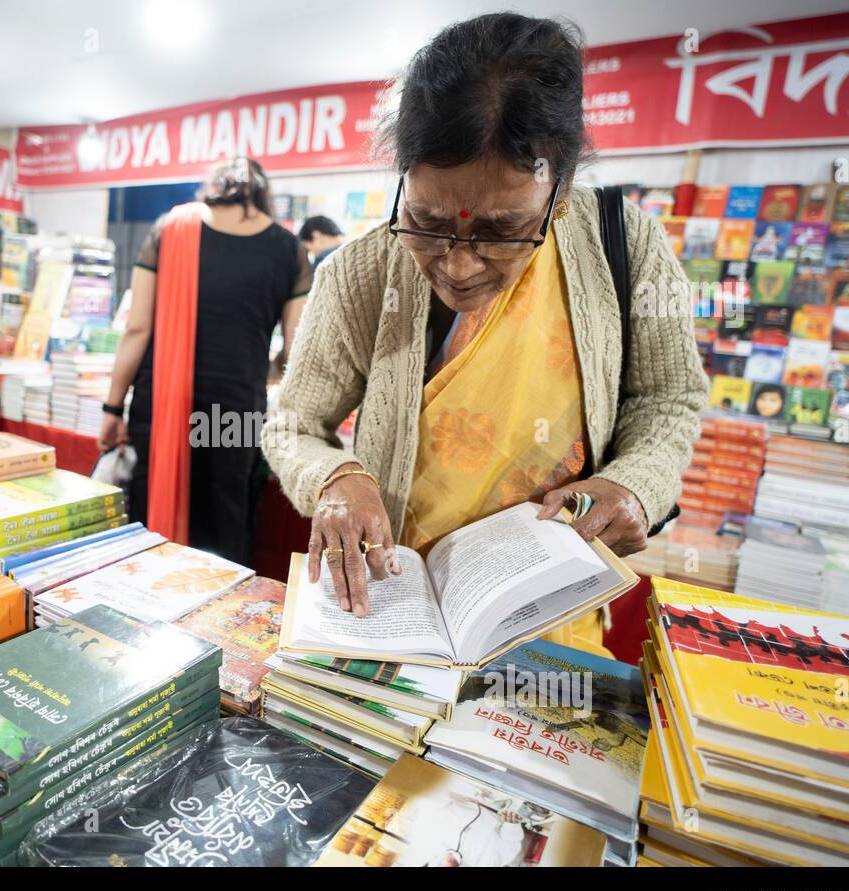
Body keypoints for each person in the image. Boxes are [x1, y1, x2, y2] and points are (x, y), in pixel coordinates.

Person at [261, 14, 708, 656]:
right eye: (426, 220)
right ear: (402, 180)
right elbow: (293, 423)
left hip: (553, 617)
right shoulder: (362, 272)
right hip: (391, 611)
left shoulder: (624, 246)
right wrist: (336, 478)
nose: (459, 264)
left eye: (500, 231)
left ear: (561, 190)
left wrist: (637, 483)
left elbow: (668, 398)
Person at [99, 156, 312, 566]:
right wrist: (255, 368)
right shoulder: (288, 249)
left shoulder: (170, 229)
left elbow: (137, 328)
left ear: (212, 188)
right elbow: (293, 352)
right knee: (226, 518)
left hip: (162, 403)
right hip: (234, 410)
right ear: (263, 194)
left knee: (155, 514)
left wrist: (112, 407)